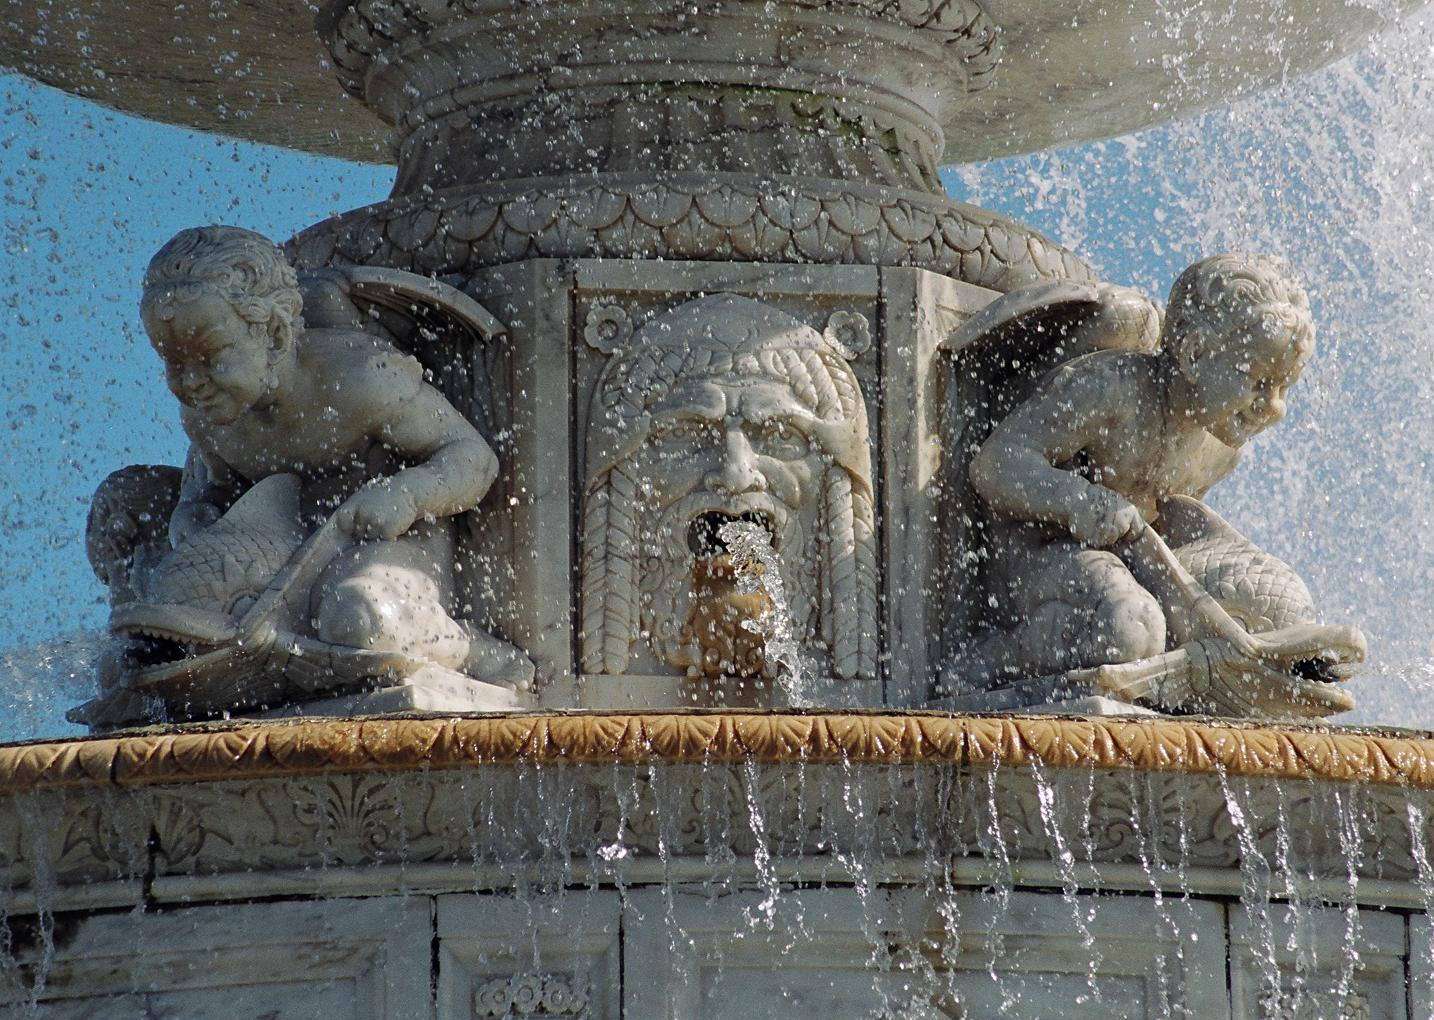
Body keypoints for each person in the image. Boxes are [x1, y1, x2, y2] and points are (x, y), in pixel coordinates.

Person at [139, 225, 532, 686]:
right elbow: (212, 490)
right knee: (150, 643)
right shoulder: (209, 414)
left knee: (357, 617)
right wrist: (193, 513)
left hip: (387, 537)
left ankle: (467, 649)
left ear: (276, 335)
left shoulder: (361, 379)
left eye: (211, 355)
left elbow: (472, 457)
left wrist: (406, 495)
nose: (190, 382)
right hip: (276, 557)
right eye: (173, 361)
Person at [958, 253, 1315, 682]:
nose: (1275, 408)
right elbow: (995, 464)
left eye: (1284, 388)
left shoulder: (1220, 448)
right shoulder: (1111, 390)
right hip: (1039, 553)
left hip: (1131, 560)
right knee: (1131, 629)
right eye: (1259, 382)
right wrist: (1080, 502)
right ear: (1196, 354)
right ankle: (991, 660)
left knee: (1270, 615)